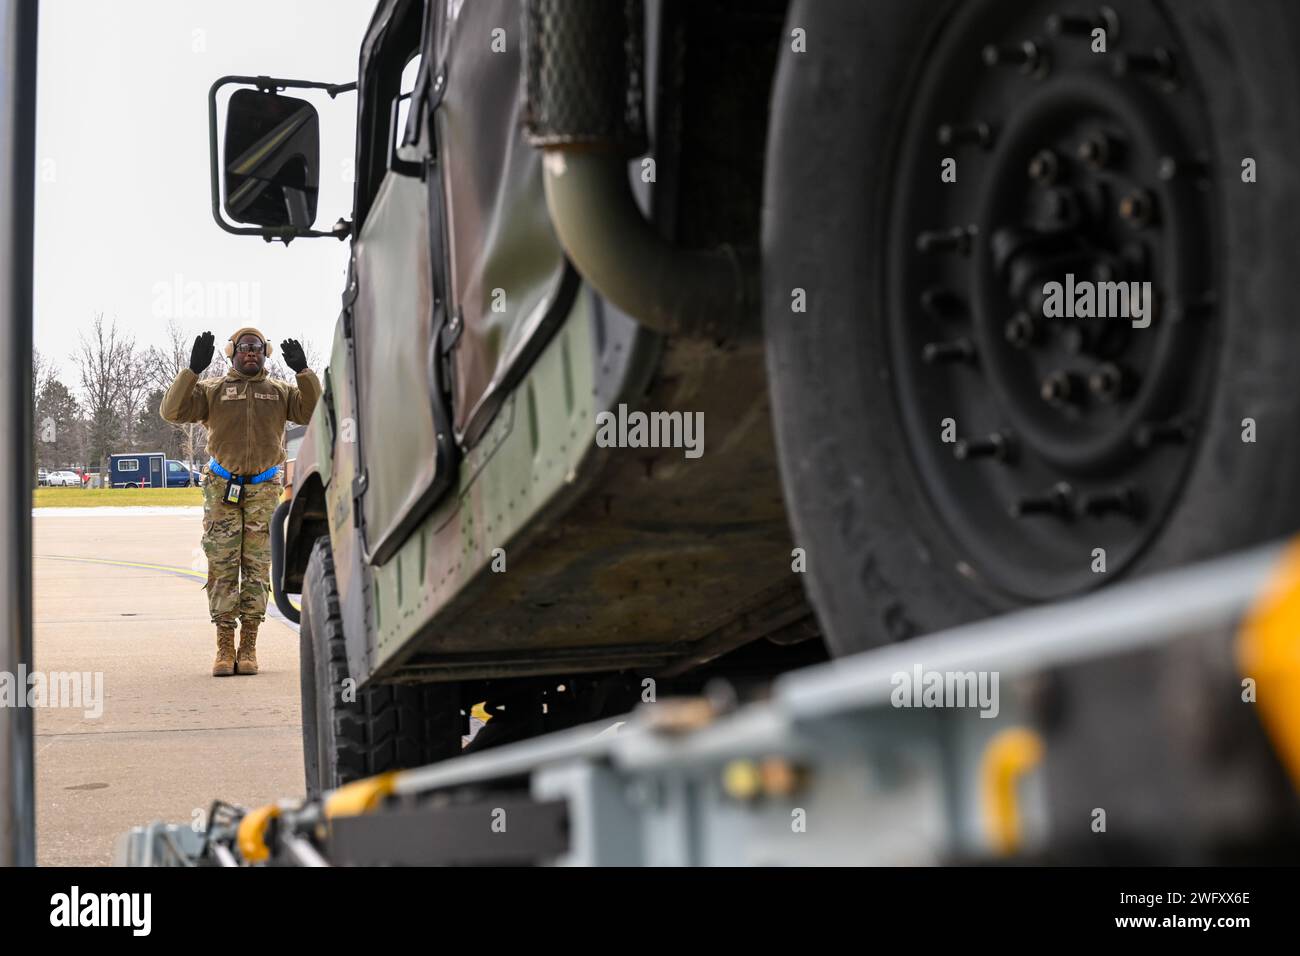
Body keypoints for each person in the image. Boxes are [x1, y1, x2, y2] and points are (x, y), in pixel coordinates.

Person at [161, 327, 321, 676]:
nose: (252, 353)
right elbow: (172, 411)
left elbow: (313, 412)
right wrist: (192, 371)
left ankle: (248, 647)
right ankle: (223, 646)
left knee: (257, 568)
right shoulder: (213, 391)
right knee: (221, 567)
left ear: (266, 353)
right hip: (222, 489)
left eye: (258, 348)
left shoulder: (279, 392)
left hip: (263, 491)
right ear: (232, 352)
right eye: (245, 347)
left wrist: (304, 373)